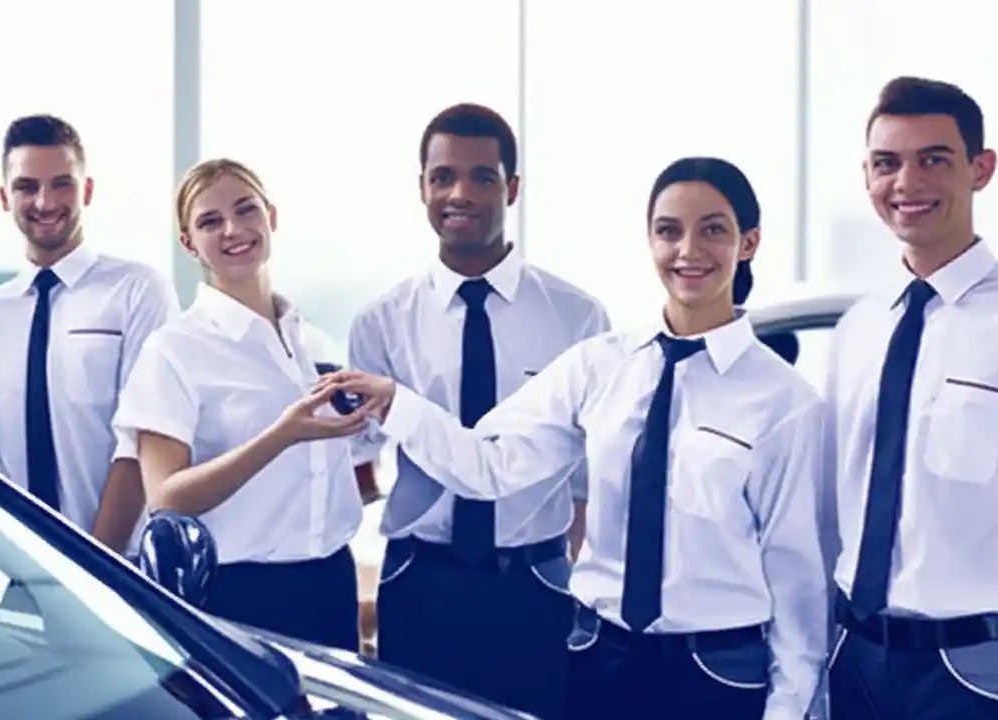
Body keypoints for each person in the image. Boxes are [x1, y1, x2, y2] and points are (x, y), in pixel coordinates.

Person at [330, 157, 829, 719]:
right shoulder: (599, 367)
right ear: (650, 241)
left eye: (712, 229)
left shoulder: (786, 402)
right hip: (601, 660)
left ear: (749, 242)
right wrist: (396, 401)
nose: (688, 250)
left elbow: (799, 581)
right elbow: (489, 467)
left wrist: (791, 709)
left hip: (716, 673)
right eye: (669, 231)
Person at [346, 102, 610, 718]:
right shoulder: (381, 321)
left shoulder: (578, 317)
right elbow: (359, 463)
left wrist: (556, 564)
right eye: (443, 177)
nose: (459, 193)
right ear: (422, 189)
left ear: (511, 188)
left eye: (482, 177)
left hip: (535, 587)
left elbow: (586, 478)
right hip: (420, 583)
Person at [821, 76, 998, 719]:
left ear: (981, 170)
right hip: (855, 661)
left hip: (985, 672)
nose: (907, 183)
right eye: (886, 163)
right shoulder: (858, 329)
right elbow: (827, 512)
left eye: (934, 159)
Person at [111, 158, 373, 651]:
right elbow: (165, 497)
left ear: (270, 216)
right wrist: (282, 435)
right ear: (189, 243)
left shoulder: (311, 342)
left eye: (245, 209)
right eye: (210, 221)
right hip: (239, 596)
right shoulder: (173, 350)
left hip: (332, 583)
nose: (233, 229)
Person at [0, 115, 178, 555]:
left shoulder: (137, 290)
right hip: (29, 568)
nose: (44, 201)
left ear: (88, 190)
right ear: (6, 197)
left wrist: (98, 567)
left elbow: (141, 438)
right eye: (26, 187)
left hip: (126, 566)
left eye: (62, 184)